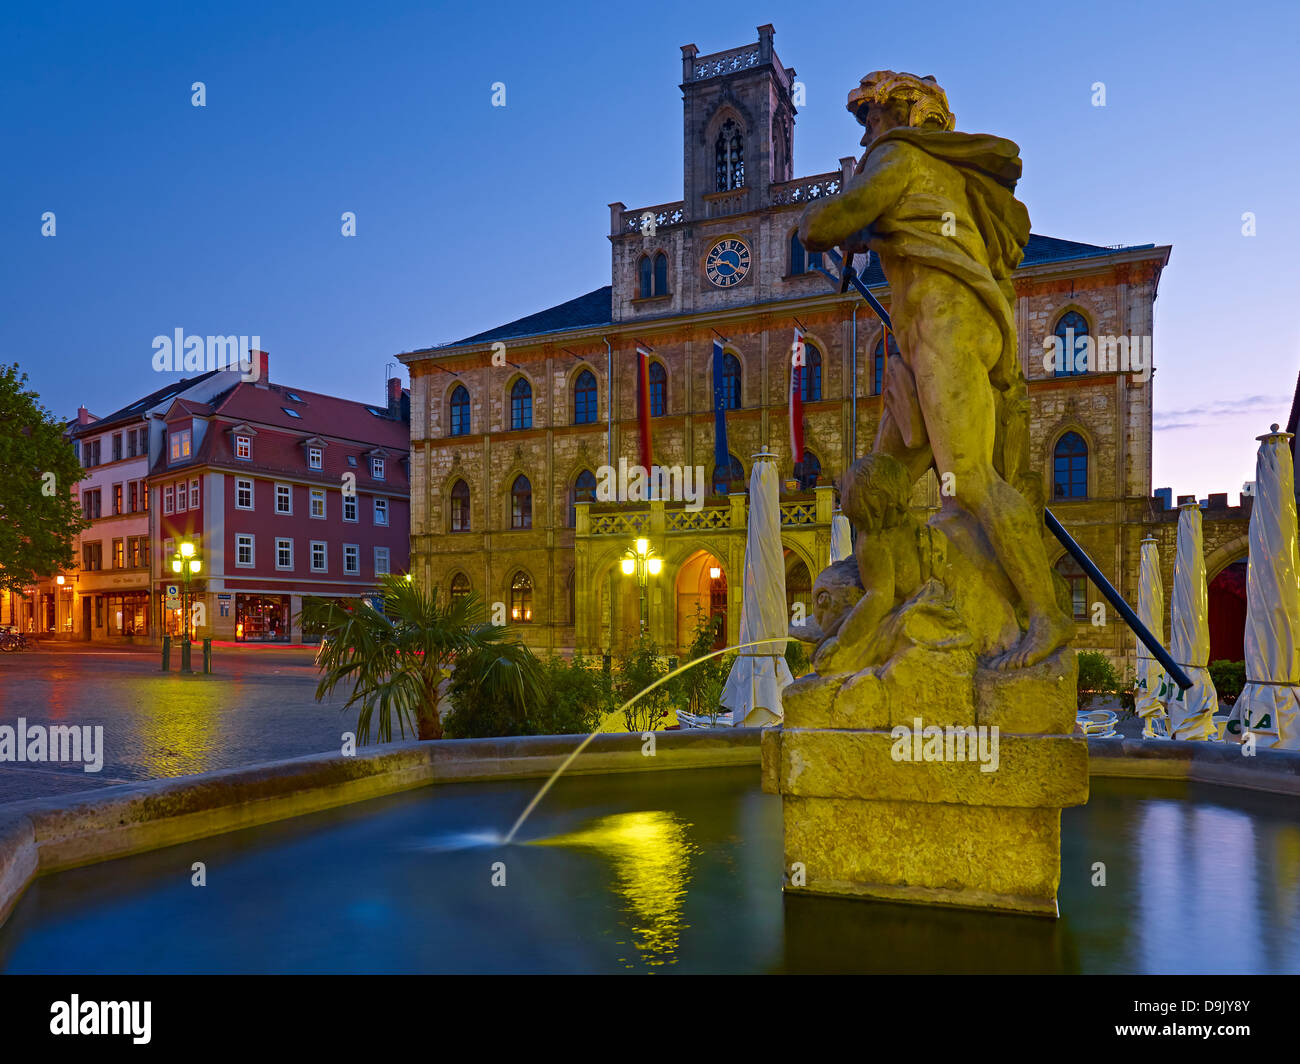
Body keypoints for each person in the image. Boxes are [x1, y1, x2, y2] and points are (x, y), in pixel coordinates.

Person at [798, 70, 1071, 669]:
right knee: (878, 484)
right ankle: (869, 605)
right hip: (923, 341)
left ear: (902, 113)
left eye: (870, 115)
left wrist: (830, 217)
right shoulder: (929, 172)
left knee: (968, 483)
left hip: (947, 330)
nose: (866, 130)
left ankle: (1047, 618)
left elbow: (820, 228)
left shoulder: (900, 158)